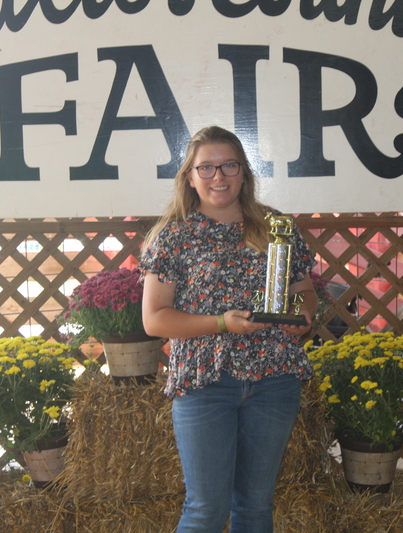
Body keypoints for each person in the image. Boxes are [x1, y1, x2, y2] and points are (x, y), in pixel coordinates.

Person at [139, 126, 318, 532]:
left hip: (275, 378)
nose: (219, 177)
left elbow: (304, 289)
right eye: (207, 168)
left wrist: (305, 316)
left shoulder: (278, 227)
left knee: (255, 506)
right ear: (190, 176)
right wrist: (222, 323)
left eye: (229, 166)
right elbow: (155, 320)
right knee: (205, 509)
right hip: (205, 383)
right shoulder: (173, 236)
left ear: (243, 172)